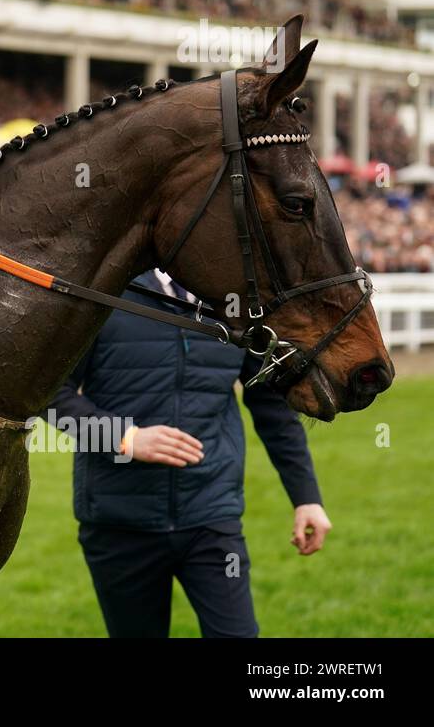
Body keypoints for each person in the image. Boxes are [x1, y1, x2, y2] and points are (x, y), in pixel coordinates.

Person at [50, 269, 332, 638]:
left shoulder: (235, 302)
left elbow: (272, 406)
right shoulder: (105, 289)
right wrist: (125, 438)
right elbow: (51, 396)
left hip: (212, 516)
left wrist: (306, 497)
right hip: (118, 522)